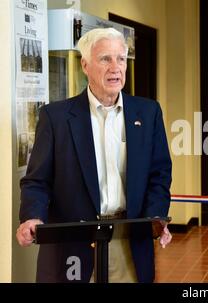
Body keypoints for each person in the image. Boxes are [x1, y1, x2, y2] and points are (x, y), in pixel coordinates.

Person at [16, 28, 173, 283]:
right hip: (73, 245)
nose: (115, 67)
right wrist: (32, 216)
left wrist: (156, 217)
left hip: (127, 242)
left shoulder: (148, 113)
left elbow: (159, 174)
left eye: (121, 59)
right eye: (105, 59)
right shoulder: (55, 118)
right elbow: (37, 180)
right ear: (85, 65)